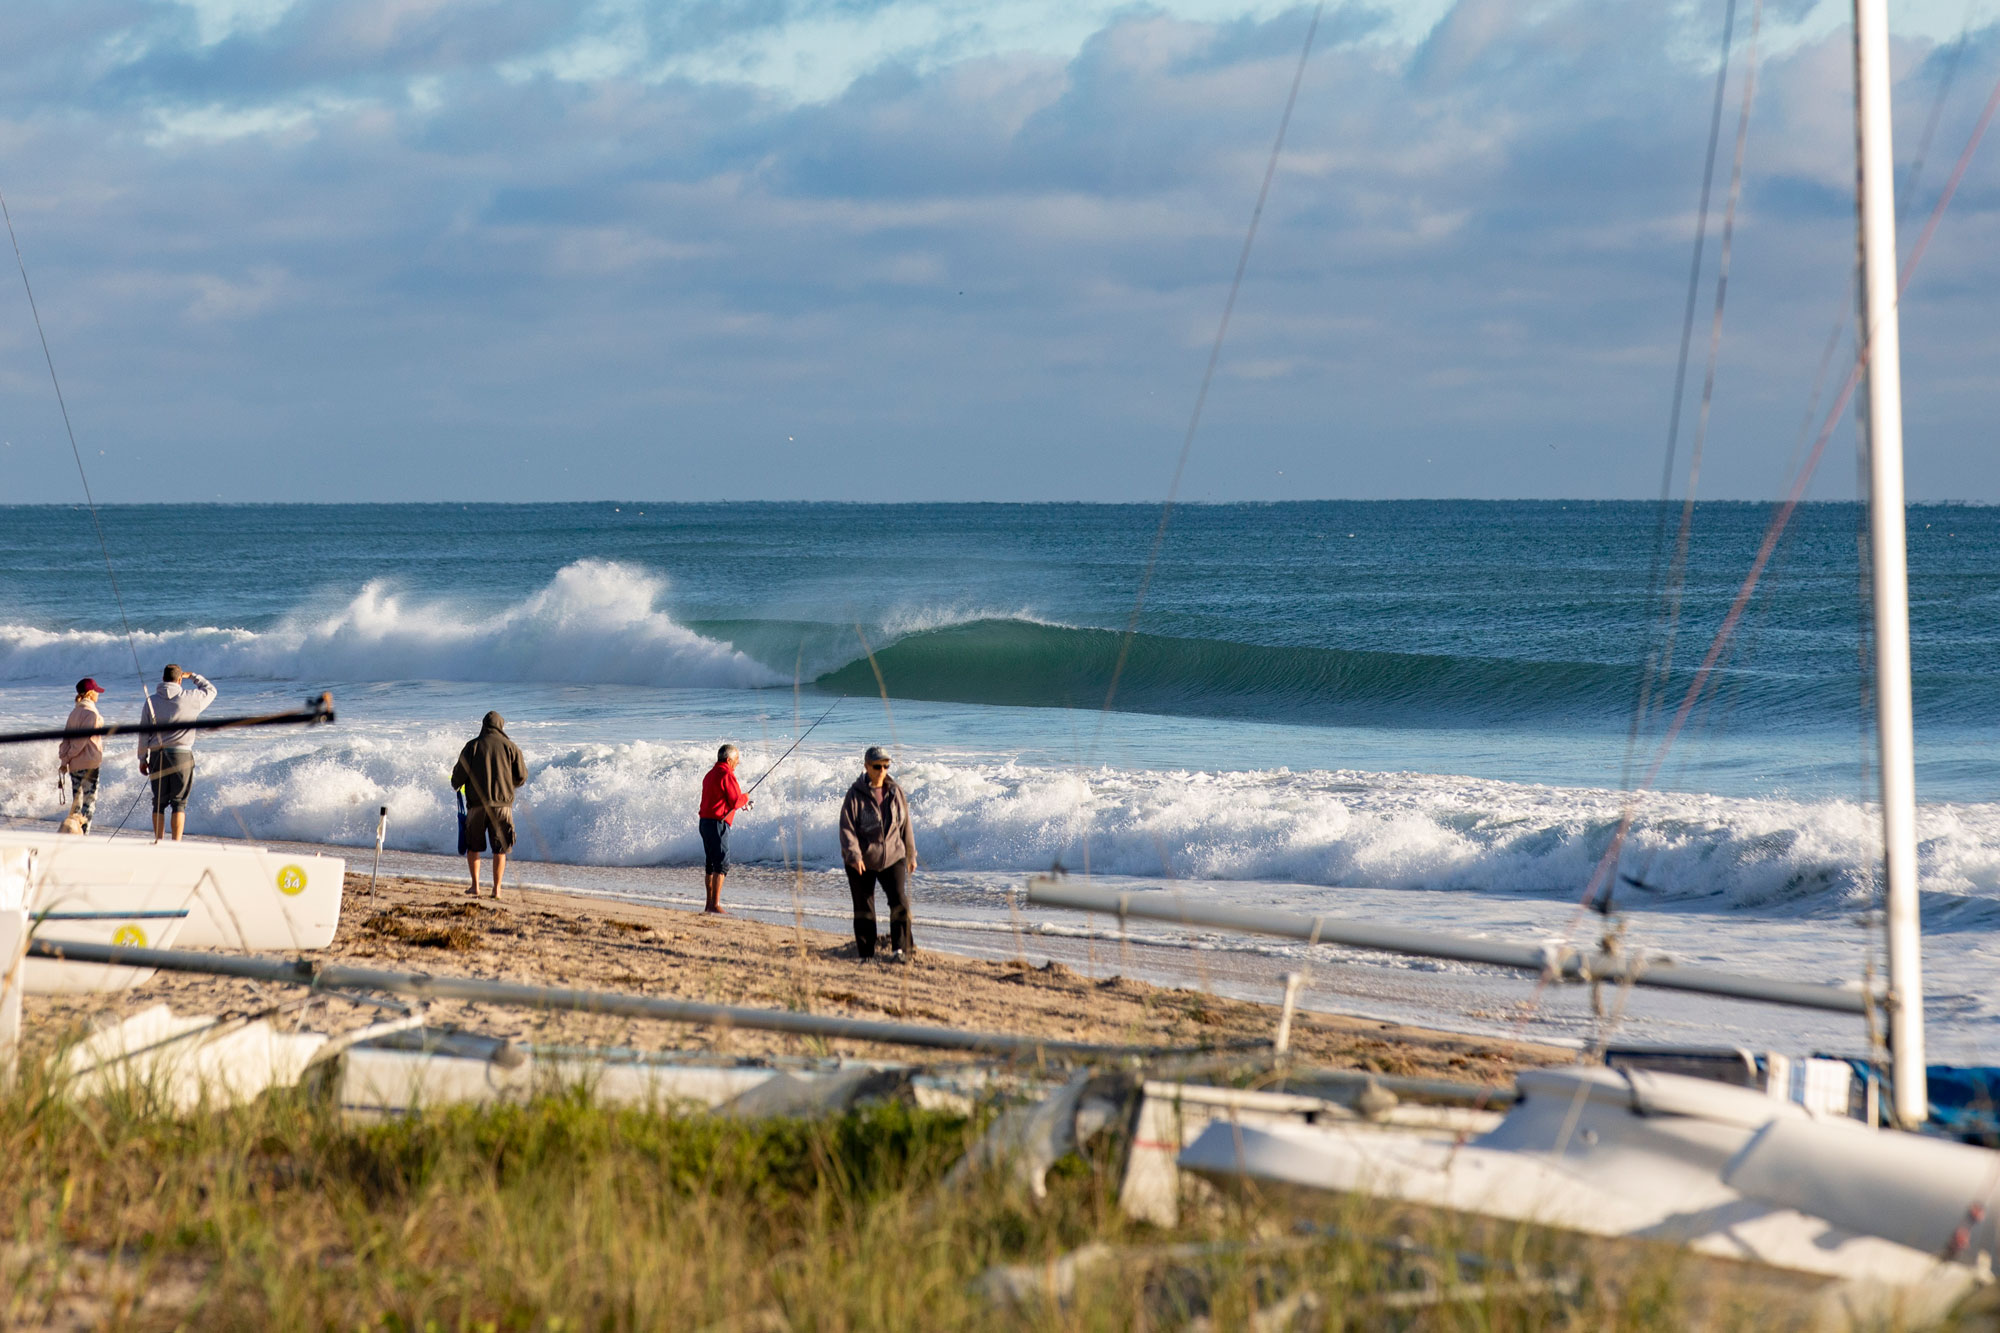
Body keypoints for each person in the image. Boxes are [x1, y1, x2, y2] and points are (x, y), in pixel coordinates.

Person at [838, 746, 916, 961]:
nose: (882, 770)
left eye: (886, 766)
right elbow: (847, 828)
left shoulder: (895, 791)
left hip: (893, 856)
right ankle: (866, 953)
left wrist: (911, 854)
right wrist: (854, 855)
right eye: (877, 766)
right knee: (864, 907)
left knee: (900, 901)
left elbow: (905, 825)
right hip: (862, 859)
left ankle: (901, 950)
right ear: (867, 766)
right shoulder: (855, 795)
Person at [451, 711, 527, 899]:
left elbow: (457, 778)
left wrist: (457, 783)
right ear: (501, 726)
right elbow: (521, 777)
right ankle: (497, 889)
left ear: (483, 725)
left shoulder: (472, 746)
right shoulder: (511, 747)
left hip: (476, 806)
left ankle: (475, 886)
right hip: (503, 806)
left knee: (473, 846)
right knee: (500, 849)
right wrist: (508, 784)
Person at [137, 664, 216, 842]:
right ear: (180, 679)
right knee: (179, 803)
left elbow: (143, 733)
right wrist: (193, 676)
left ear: (163, 679)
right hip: (182, 755)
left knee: (159, 802)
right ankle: (176, 843)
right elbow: (211, 690)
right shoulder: (190, 698)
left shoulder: (151, 701)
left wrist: (142, 758)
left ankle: (158, 841)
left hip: (157, 755)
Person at [697, 744, 752, 914]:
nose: (738, 762)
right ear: (728, 760)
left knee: (710, 864)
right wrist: (745, 798)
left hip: (705, 822)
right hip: (718, 824)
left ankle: (709, 904)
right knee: (721, 865)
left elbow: (721, 800)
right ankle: (715, 905)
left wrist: (740, 802)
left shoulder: (710, 774)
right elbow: (735, 801)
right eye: (736, 759)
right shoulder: (727, 774)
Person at [57, 677, 106, 834]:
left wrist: (65, 760)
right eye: (96, 691)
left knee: (76, 803)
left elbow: (66, 740)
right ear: (90, 693)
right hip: (89, 763)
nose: (98, 694)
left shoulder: (74, 712)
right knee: (88, 803)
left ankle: (74, 832)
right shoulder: (91, 713)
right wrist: (68, 756)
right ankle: (83, 834)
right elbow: (81, 741)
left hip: (74, 765)